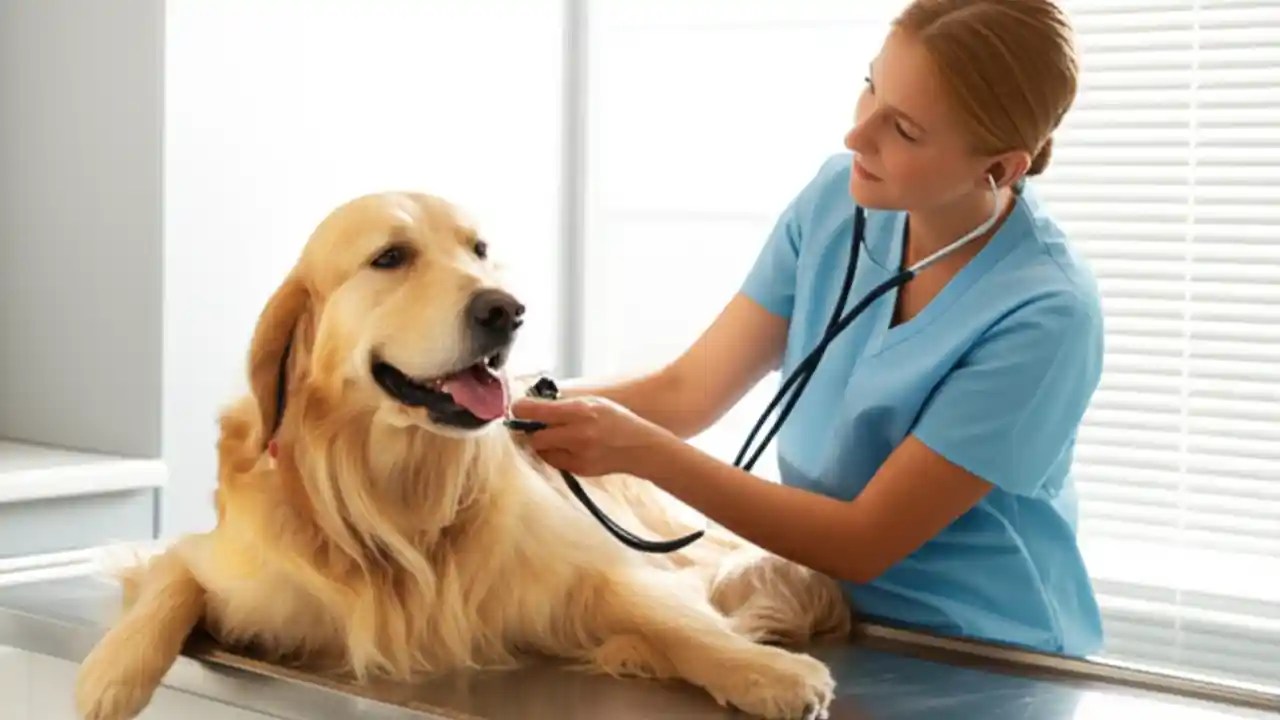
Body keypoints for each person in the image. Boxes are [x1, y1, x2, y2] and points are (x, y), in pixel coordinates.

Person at [511, 0, 1106, 658]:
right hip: (826, 615)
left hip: (982, 654)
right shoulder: (837, 197)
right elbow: (686, 392)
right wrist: (504, 406)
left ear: (1000, 167)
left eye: (904, 129)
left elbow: (862, 541)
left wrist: (641, 452)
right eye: (871, 85)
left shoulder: (1046, 313)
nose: (858, 136)